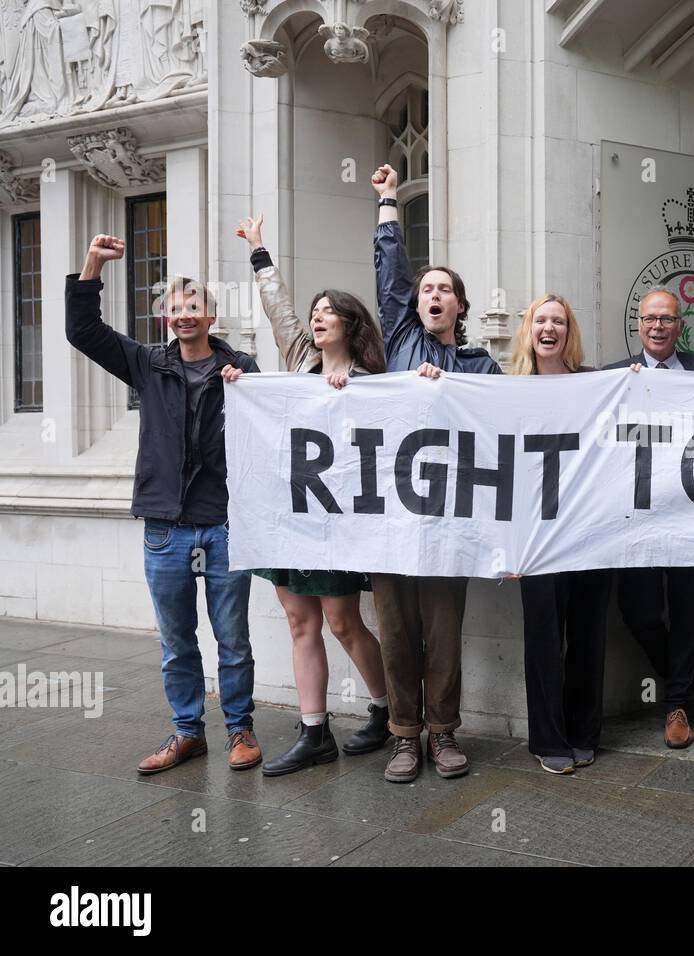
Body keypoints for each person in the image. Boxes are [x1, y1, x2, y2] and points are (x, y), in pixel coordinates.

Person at [66, 235, 263, 775]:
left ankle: (241, 730)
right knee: (178, 642)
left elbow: (276, 424)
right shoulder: (148, 364)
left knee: (233, 641)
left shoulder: (242, 368)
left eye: (193, 306)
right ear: (164, 319)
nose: (184, 315)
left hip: (224, 526)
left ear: (212, 315)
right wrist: (92, 265)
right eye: (174, 308)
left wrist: (245, 389)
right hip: (165, 529)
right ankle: (187, 733)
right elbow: (83, 331)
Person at [220, 214, 392, 776]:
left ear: (349, 324)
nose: (316, 320)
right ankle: (313, 729)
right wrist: (259, 250)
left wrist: (350, 397)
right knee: (300, 622)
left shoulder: (369, 382)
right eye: (314, 315)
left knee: (343, 621)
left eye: (327, 314)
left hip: (334, 525)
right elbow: (279, 309)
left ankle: (388, 711)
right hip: (287, 518)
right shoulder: (299, 361)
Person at [370, 163, 502, 783]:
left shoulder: (479, 364)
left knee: (444, 633)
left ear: (460, 305)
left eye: (444, 289)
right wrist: (389, 203)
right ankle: (404, 737)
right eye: (426, 289)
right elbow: (389, 277)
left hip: (451, 517)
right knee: (395, 630)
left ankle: (444, 732)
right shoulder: (398, 339)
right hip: (393, 514)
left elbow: (507, 430)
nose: (432, 296)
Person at [603, 286, 694, 748]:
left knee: (687, 611)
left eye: (667, 319)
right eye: (651, 319)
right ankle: (679, 676)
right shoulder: (611, 376)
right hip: (638, 520)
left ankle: (678, 703)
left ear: (680, 326)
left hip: (690, 517)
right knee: (640, 611)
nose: (658, 326)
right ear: (639, 325)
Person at [511, 294, 614, 774]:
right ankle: (548, 739)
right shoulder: (506, 389)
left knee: (589, 634)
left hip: (590, 531)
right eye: (540, 320)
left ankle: (583, 731)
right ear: (529, 330)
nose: (549, 328)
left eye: (558, 321)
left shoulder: (596, 383)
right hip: (535, 535)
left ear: (569, 332)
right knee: (544, 638)